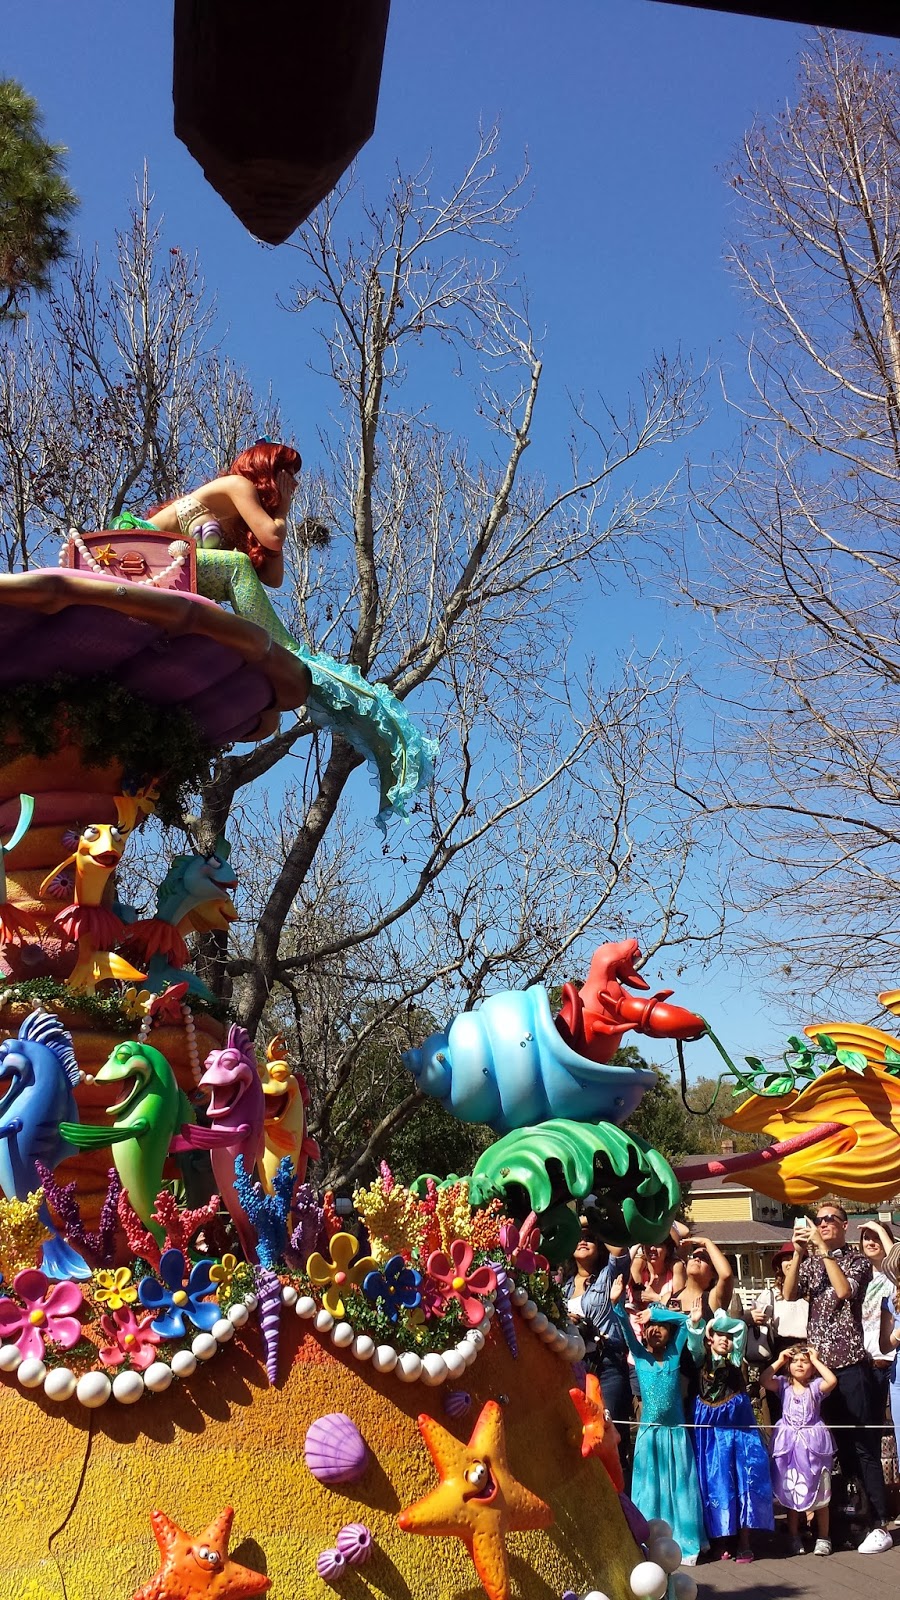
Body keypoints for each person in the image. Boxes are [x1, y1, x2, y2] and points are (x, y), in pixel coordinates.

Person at [112, 443, 438, 829]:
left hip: (171, 570)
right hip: (138, 556)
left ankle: (278, 650)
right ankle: (282, 648)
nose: (294, 484)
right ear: (268, 472)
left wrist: (276, 520)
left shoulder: (237, 516)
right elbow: (272, 537)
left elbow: (272, 577)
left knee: (237, 567)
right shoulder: (236, 485)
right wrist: (281, 511)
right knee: (234, 566)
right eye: (288, 475)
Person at [782, 1203, 892, 1554]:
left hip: (850, 1366)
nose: (823, 1223)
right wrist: (800, 1253)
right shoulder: (813, 1261)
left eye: (830, 1219)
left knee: (862, 1446)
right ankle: (846, 1519)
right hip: (819, 1374)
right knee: (830, 1449)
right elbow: (788, 1294)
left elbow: (844, 1292)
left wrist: (825, 1252)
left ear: (844, 1225)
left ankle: (879, 1522)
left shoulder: (855, 1260)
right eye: (819, 1219)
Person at [612, 1300, 708, 1564]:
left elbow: (683, 1321)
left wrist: (655, 1313)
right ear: (643, 1331)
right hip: (650, 1435)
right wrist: (617, 1302)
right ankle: (646, 1540)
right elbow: (622, 1320)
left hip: (675, 1434)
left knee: (680, 1487)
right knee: (649, 1489)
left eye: (661, 1328)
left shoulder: (675, 1354)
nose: (656, 1330)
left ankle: (682, 1540)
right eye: (651, 1327)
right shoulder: (640, 1356)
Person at [684, 1309, 774, 1562]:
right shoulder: (701, 1358)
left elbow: (740, 1330)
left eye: (728, 1336)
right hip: (711, 1437)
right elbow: (693, 1342)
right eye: (719, 1335)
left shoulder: (735, 1358)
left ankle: (745, 1542)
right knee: (716, 1483)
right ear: (709, 1338)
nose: (725, 1339)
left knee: (743, 1481)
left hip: (739, 1433)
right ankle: (721, 1540)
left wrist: (731, 1321)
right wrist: (698, 1323)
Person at [761, 1343, 837, 1556]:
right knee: (792, 1489)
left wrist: (816, 1360)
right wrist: (779, 1360)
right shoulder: (783, 1384)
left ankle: (823, 1536)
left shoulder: (816, 1387)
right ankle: (794, 1535)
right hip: (790, 1445)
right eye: (795, 1361)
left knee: (820, 1491)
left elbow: (832, 1381)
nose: (800, 1364)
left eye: (804, 1361)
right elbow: (764, 1380)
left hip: (812, 1445)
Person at [563, 1217, 632, 1446]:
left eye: (589, 1239)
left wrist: (589, 1223)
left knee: (605, 1431)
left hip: (606, 1364)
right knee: (577, 1432)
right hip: (573, 1364)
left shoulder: (608, 1276)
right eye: (578, 1238)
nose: (583, 1241)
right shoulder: (563, 1287)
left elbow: (620, 1249)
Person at [858, 1222, 895, 1428]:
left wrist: (881, 1229)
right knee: (872, 1426)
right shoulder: (858, 1276)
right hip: (866, 1361)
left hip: (891, 1360)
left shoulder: (893, 1277)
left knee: (894, 1425)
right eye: (867, 1237)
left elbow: (897, 1262)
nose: (872, 1242)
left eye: (877, 1238)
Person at [667, 1234, 734, 1320]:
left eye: (704, 1258)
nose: (697, 1259)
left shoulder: (713, 1299)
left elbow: (726, 1275)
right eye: (694, 1256)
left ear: (713, 1273)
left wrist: (706, 1242)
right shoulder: (669, 1297)